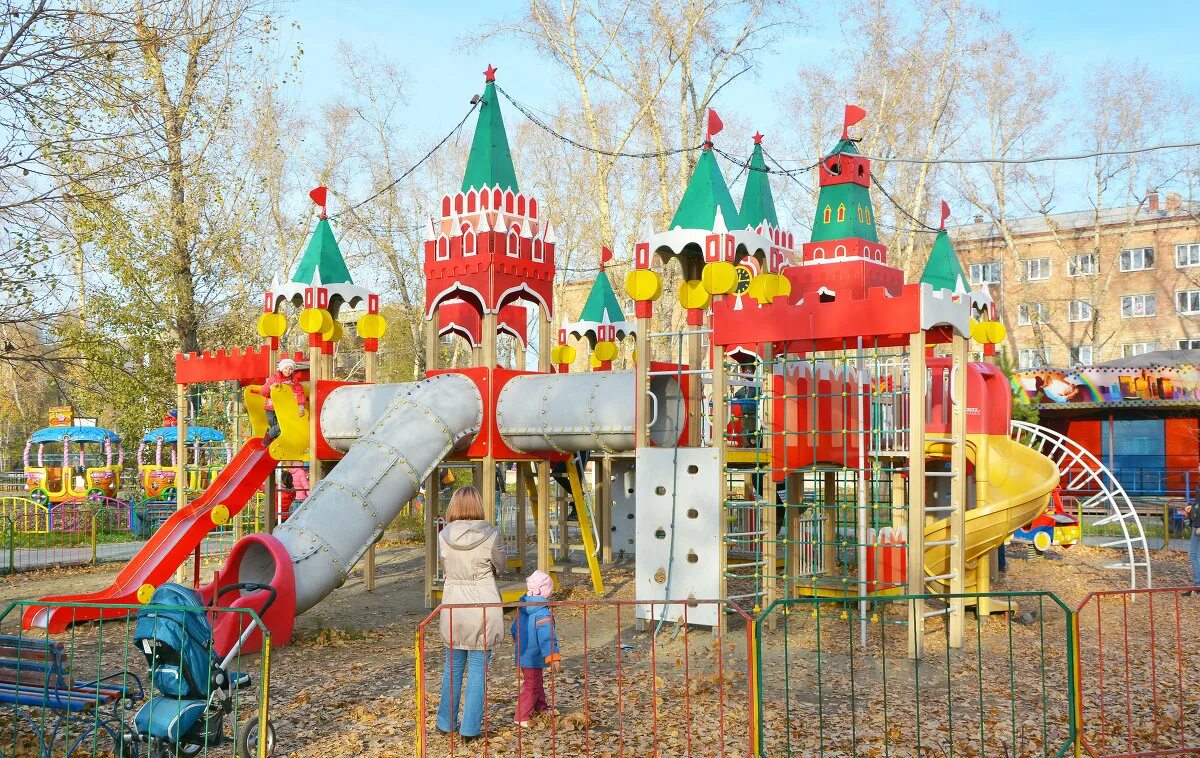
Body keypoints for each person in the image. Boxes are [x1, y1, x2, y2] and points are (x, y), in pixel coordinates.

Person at [436, 486, 506, 739]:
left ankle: (445, 723)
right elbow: (502, 564)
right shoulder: (491, 535)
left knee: (452, 667)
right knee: (478, 669)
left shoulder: (443, 536)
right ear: (478, 506)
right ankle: (470, 729)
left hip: (453, 604)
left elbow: (445, 563)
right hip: (483, 605)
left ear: (453, 506)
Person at [511, 570, 561, 727]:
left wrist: (517, 640)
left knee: (536, 681)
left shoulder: (523, 608)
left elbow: (514, 628)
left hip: (523, 653)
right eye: (550, 590)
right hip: (533, 655)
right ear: (543, 591)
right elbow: (547, 637)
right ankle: (522, 716)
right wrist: (553, 656)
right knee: (531, 685)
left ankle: (541, 708)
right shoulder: (543, 613)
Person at [257, 358, 306, 444]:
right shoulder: (273, 379)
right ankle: (276, 440)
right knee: (273, 423)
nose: (288, 370)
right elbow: (263, 392)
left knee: (281, 424)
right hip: (271, 406)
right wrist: (271, 388)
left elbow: (299, 393)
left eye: (290, 369)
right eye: (286, 368)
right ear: (282, 368)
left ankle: (268, 436)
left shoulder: (293, 381)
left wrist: (301, 406)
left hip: (285, 407)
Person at [1187, 482, 1200, 596]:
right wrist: (1192, 507)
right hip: (1196, 522)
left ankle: (1197, 585)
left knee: (1194, 554)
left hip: (1198, 524)